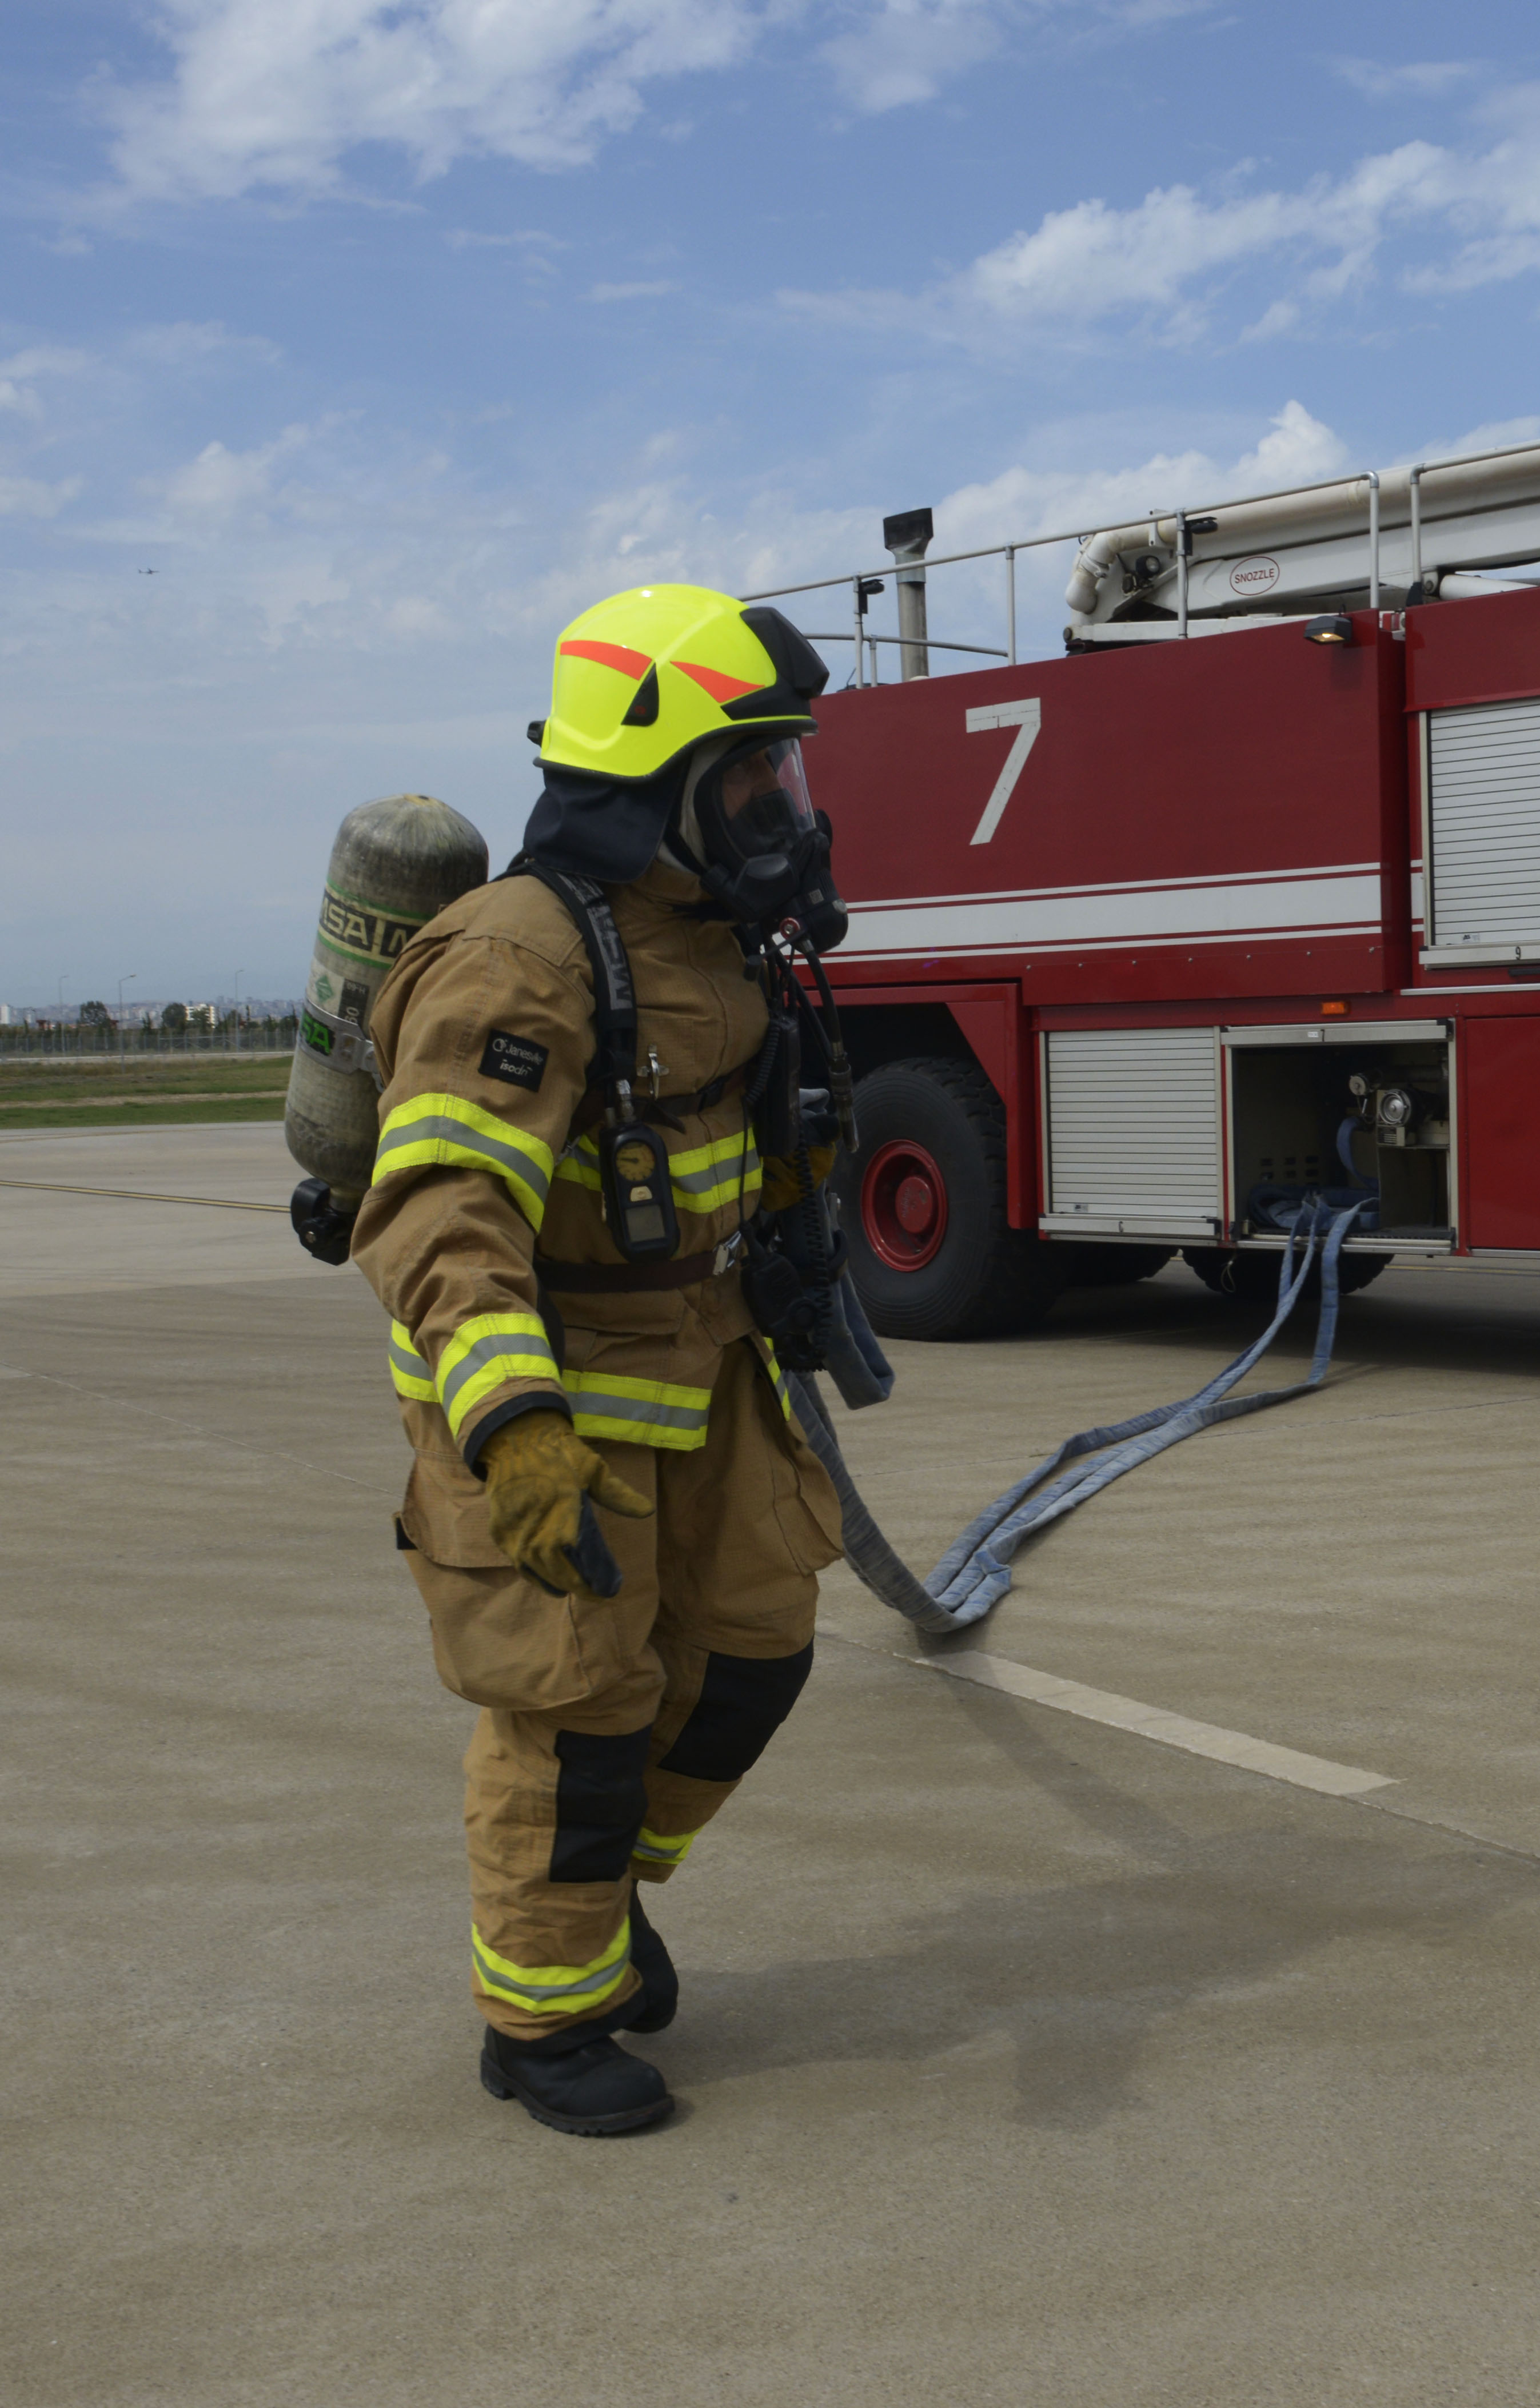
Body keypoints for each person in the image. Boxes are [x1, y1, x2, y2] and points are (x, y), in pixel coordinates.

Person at [350, 584, 849, 2135]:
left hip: (704, 1361)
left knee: (756, 1655)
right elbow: (442, 1209)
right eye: (752, 772)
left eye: (786, 769)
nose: (783, 802)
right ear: (655, 785)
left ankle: (600, 1905)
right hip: (546, 1400)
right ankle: (541, 2018)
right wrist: (513, 1433)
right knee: (578, 1716)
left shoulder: (707, 939)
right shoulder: (517, 957)